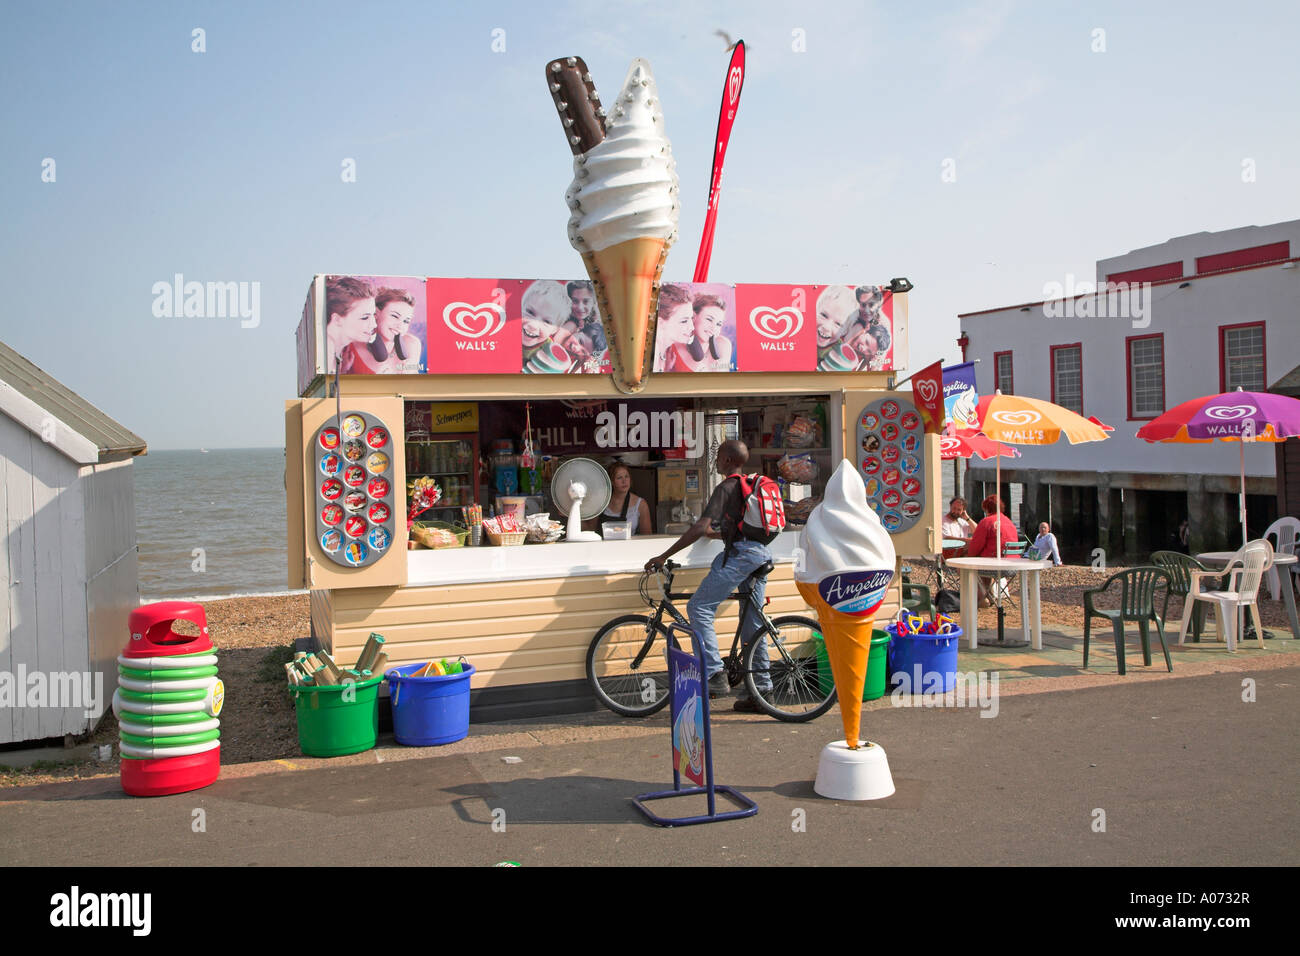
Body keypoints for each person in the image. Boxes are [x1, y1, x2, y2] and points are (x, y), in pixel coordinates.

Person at [645, 439, 771, 712]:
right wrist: (721, 533)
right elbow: (734, 526)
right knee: (753, 624)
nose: (715, 461)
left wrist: (663, 555)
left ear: (726, 460)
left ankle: (714, 674)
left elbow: (700, 527)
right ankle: (763, 691)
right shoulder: (750, 484)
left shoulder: (727, 486)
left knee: (698, 606)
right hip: (759, 555)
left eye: (718, 457)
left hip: (742, 557)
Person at [348, 287, 421, 374]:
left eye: (406, 321)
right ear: (376, 313)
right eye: (394, 316)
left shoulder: (412, 344)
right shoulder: (351, 346)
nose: (400, 326)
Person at [967, 495, 1019, 606]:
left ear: (986, 509)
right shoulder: (1009, 522)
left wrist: (968, 554)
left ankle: (981, 597)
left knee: (965, 565)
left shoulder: (987, 522)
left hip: (994, 566)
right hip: (1012, 566)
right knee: (986, 561)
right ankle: (989, 595)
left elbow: (975, 548)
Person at [325, 276, 377, 373]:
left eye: (373, 315)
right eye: (365, 318)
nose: (374, 325)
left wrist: (343, 371)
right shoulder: (326, 355)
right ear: (337, 319)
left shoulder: (336, 351)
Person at [669, 294, 732, 372]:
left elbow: (724, 379)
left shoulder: (723, 345)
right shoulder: (673, 345)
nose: (714, 328)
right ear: (693, 317)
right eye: (709, 319)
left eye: (718, 324)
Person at [596, 462, 653, 535]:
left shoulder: (641, 504)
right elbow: (590, 530)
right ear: (612, 482)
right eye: (619, 477)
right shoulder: (601, 502)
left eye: (626, 476)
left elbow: (647, 537)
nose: (624, 481)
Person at [653, 284, 696, 372]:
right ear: (661, 323)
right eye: (684, 321)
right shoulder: (654, 350)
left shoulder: (665, 351)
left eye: (691, 318)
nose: (692, 327)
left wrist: (667, 368)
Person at [561, 280, 608, 355]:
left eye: (586, 301)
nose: (580, 307)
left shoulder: (596, 327)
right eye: (575, 301)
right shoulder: (569, 324)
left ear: (594, 302)